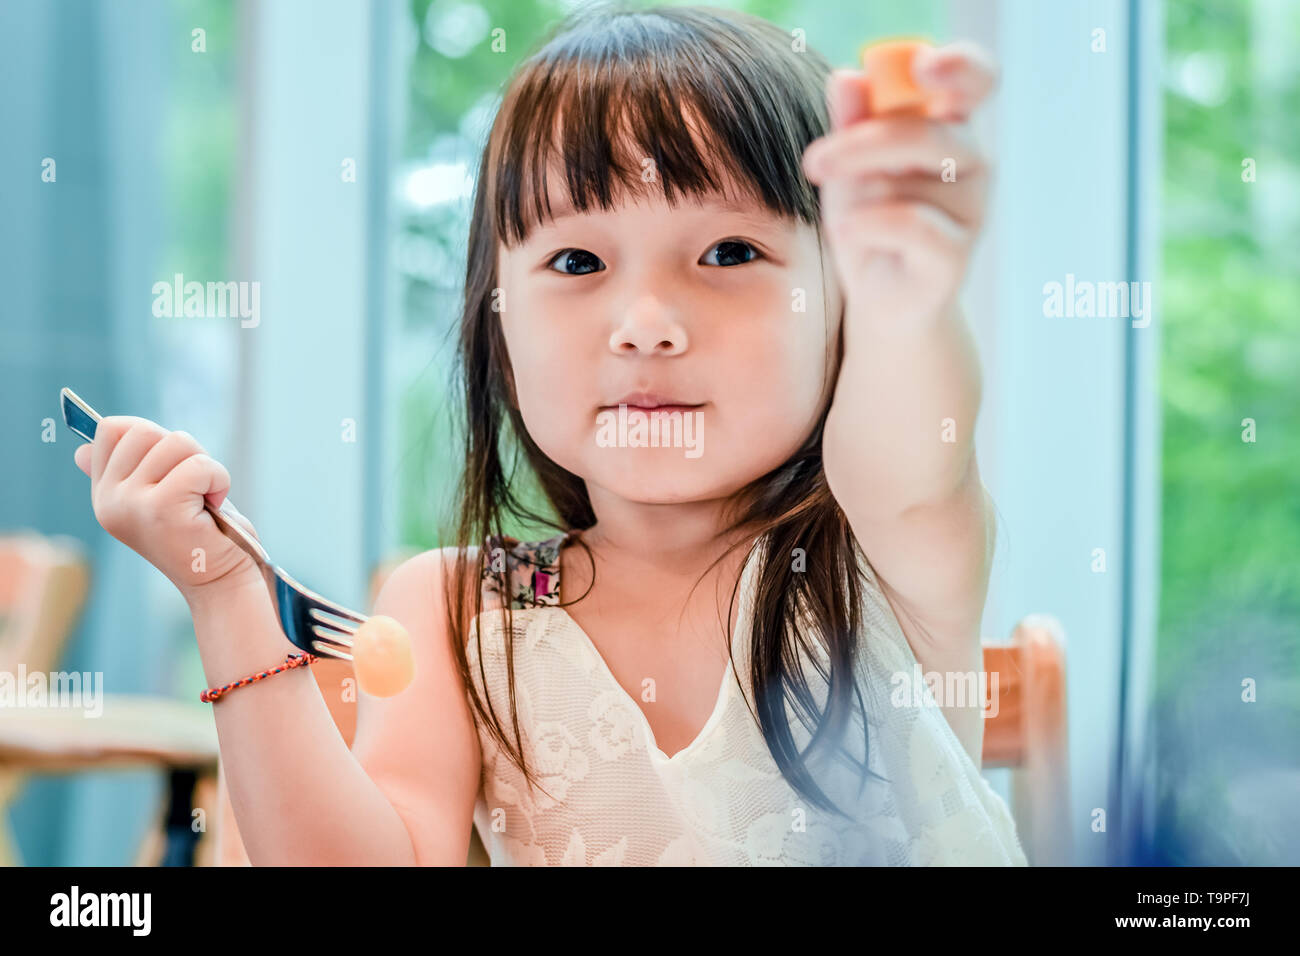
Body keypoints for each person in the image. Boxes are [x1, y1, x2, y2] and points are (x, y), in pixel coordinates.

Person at [75, 2, 1025, 866]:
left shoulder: (879, 552)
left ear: (841, 303)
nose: (646, 321)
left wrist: (905, 290)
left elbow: (914, 453)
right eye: (577, 260)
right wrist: (226, 594)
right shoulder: (464, 609)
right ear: (500, 323)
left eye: (730, 251)